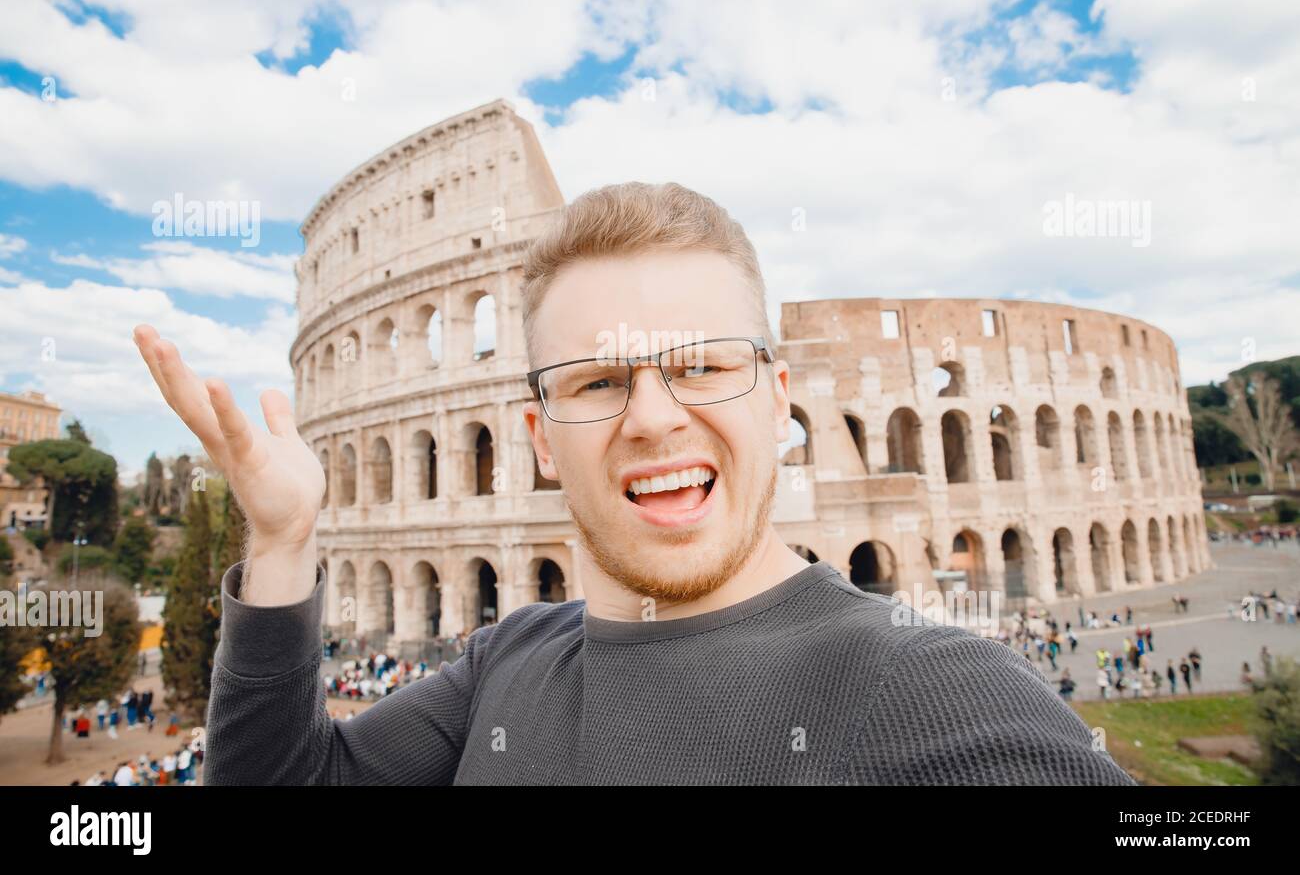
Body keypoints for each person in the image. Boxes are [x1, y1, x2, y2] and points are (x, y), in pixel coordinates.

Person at [135, 182, 1136, 786]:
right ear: (535, 437)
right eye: (599, 380)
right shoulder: (507, 656)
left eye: (700, 365)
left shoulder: (934, 690)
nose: (652, 415)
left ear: (773, 400)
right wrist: (279, 543)